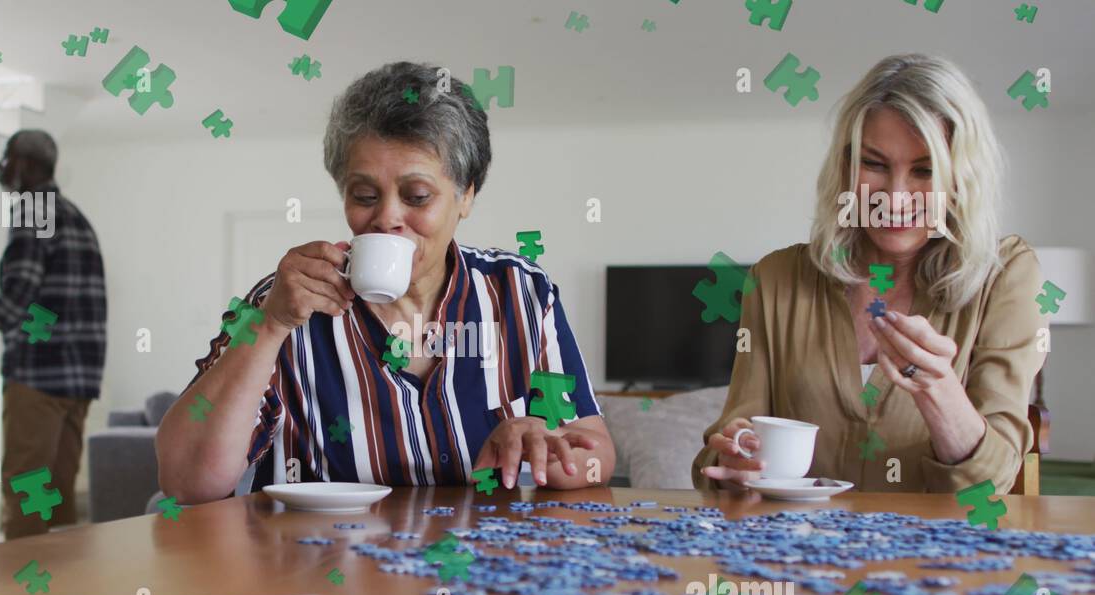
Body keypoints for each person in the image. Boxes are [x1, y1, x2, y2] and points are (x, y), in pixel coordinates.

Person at [157, 61, 615, 502]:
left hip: (477, 569)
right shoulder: (281, 302)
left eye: (417, 196)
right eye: (364, 195)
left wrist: (541, 446)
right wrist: (270, 326)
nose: (386, 217)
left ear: (466, 196)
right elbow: (185, 482)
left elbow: (595, 456)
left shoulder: (521, 291)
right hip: (320, 567)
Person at [693, 54, 1046, 494]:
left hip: (941, 558)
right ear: (844, 168)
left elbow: (990, 485)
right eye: (875, 164)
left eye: (925, 170)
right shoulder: (777, 278)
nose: (895, 198)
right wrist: (734, 459)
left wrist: (940, 392)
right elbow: (732, 438)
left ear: (962, 179)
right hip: (796, 555)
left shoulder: (1007, 274)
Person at [0, 130, 107, 539]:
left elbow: (20, 287)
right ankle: (58, 585)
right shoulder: (76, 217)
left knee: (26, 485)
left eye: (7, 158)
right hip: (80, 378)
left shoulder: (32, 210)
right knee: (56, 491)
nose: (2, 167)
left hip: (38, 375)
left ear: (26, 163)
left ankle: (20, 589)